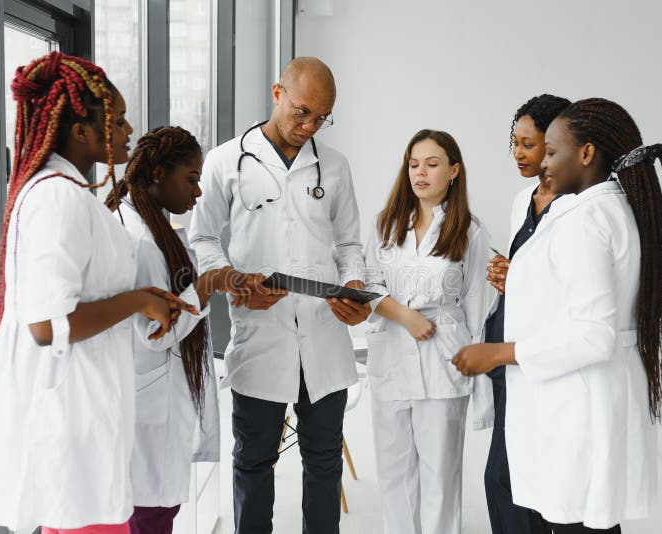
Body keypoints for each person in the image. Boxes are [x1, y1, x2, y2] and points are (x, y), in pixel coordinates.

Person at [0, 52, 190, 534]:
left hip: (84, 417)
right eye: (115, 121)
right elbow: (45, 325)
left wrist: (141, 292)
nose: (127, 130)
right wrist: (139, 300)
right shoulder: (57, 198)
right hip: (71, 422)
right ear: (80, 131)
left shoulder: (66, 192)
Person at [454, 98, 662, 533]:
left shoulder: (585, 220)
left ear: (586, 154)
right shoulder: (605, 209)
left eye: (551, 152)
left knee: (574, 522)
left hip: (577, 406)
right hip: (587, 399)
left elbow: (593, 334)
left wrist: (499, 352)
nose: (542, 163)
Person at [188, 56, 369, 534]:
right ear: (277, 93)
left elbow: (350, 243)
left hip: (323, 336)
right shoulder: (228, 160)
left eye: (321, 117)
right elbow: (201, 237)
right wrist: (230, 278)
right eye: (301, 111)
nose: (308, 126)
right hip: (261, 335)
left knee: (324, 462)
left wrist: (352, 287)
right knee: (253, 462)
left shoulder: (335, 166)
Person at [106, 126, 237, 533]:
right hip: (150, 403)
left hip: (147, 399)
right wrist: (206, 285)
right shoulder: (141, 241)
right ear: (159, 172)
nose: (197, 193)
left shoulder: (137, 223)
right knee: (151, 515)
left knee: (149, 510)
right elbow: (156, 332)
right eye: (192, 179)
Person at [363, 129, 489, 534]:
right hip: (392, 360)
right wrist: (405, 316)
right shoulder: (386, 225)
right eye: (414, 164)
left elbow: (478, 304)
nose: (421, 172)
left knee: (440, 477)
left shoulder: (470, 231)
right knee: (395, 475)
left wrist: (477, 367)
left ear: (453, 171)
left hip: (444, 361)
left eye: (432, 164)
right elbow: (367, 287)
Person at [483, 94, 570, 534]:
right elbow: (526, 271)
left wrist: (521, 279)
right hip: (508, 356)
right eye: (513, 142)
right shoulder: (524, 199)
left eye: (528, 144)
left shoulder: (578, 207)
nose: (518, 152)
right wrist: (505, 275)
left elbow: (572, 289)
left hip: (543, 359)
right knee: (505, 478)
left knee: (528, 479)